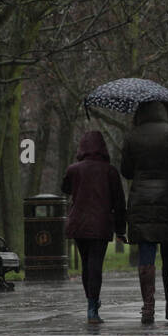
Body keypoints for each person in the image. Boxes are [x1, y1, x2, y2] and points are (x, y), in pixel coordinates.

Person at [121, 100, 168, 324]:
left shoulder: (132, 136)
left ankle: (148, 307)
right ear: (165, 111)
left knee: (146, 255)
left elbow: (126, 171)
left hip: (142, 202)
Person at [62, 131, 126, 325]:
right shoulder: (110, 171)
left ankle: (91, 303)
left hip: (79, 223)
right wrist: (121, 229)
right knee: (95, 264)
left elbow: (64, 188)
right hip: (100, 224)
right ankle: (92, 307)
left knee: (86, 263)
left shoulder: (74, 169)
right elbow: (119, 202)